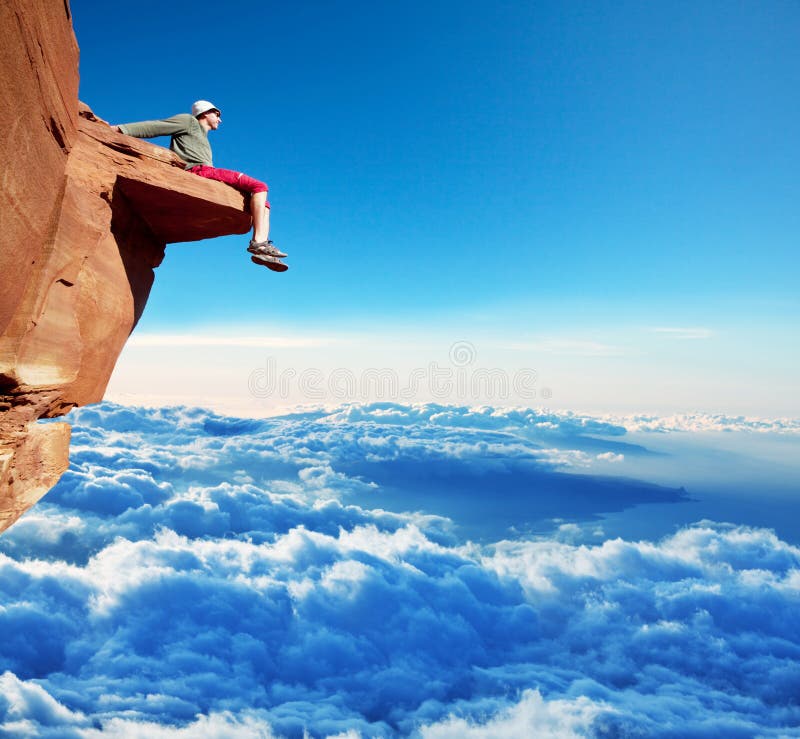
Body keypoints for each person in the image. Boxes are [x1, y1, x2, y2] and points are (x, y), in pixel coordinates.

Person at [113, 100, 287, 272]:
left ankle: (263, 248)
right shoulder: (188, 121)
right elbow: (155, 126)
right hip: (198, 171)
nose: (220, 119)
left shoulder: (202, 136)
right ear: (204, 113)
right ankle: (258, 243)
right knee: (259, 186)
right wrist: (119, 129)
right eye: (217, 114)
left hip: (206, 173)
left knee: (265, 204)